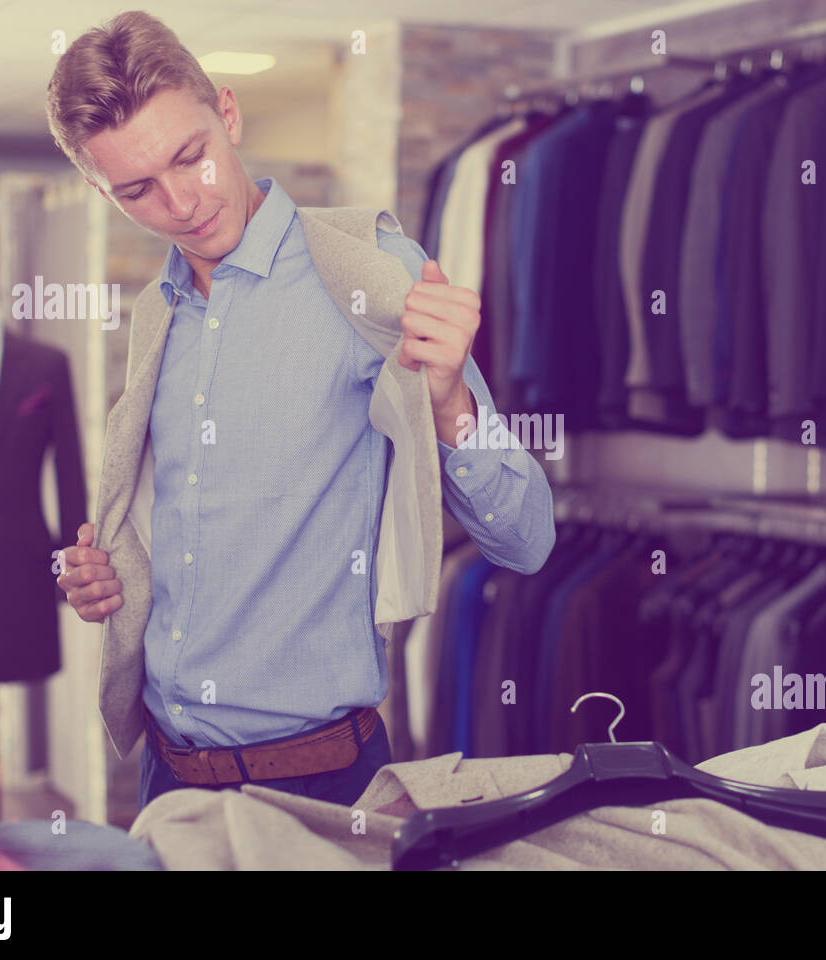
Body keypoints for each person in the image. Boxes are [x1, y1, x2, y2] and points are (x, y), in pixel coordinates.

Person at [46, 11, 555, 810]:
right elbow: (174, 528)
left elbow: (527, 540)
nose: (182, 202)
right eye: (138, 189)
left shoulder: (371, 274)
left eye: (192, 156)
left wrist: (452, 397)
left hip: (321, 789)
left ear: (229, 113)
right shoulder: (157, 315)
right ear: (99, 188)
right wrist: (106, 579)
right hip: (165, 783)